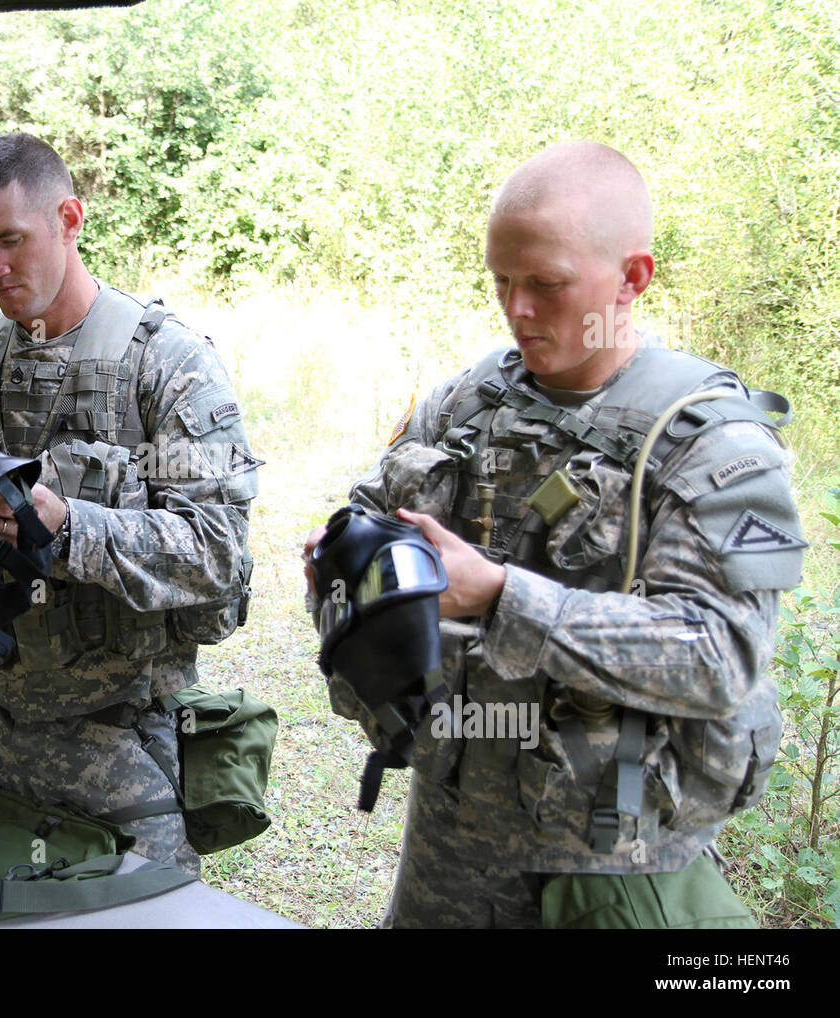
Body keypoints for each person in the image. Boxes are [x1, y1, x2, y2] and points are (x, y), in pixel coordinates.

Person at [306, 141, 806, 927]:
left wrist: (504, 598)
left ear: (633, 277)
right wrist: (350, 566)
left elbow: (719, 657)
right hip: (452, 837)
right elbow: (366, 523)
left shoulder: (710, 445)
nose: (518, 310)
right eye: (502, 281)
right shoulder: (466, 403)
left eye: (546, 284)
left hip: (607, 859)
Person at [0, 133, 259, 874]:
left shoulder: (168, 366)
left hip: (117, 747)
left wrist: (69, 527)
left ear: (70, 218)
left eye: (10, 240)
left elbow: (219, 557)